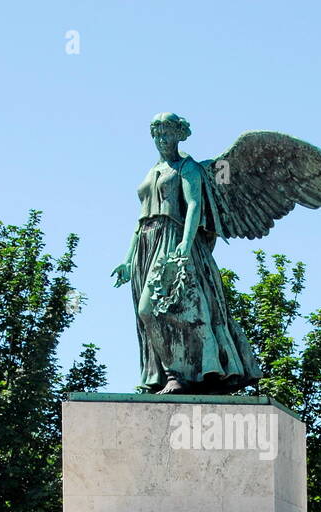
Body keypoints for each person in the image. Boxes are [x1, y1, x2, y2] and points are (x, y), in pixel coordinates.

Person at [111, 112, 261, 394]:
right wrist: (128, 258)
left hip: (175, 241)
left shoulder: (188, 168)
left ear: (179, 135)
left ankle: (179, 373)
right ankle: (171, 373)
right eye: (157, 133)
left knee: (160, 309)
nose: (161, 139)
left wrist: (185, 241)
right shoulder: (151, 171)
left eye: (167, 133)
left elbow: (193, 206)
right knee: (152, 313)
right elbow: (140, 219)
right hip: (147, 244)